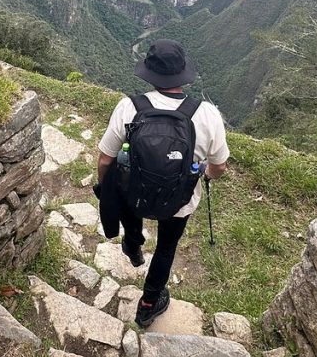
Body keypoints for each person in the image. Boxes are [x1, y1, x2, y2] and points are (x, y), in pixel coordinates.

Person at [97, 39, 229, 328]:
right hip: (179, 200)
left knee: (131, 216)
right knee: (167, 247)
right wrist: (204, 174)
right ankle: (148, 304)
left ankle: (133, 247)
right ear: (183, 75)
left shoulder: (129, 107)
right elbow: (219, 166)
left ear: (150, 74)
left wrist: (105, 188)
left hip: (135, 193)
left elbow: (106, 158)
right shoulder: (206, 114)